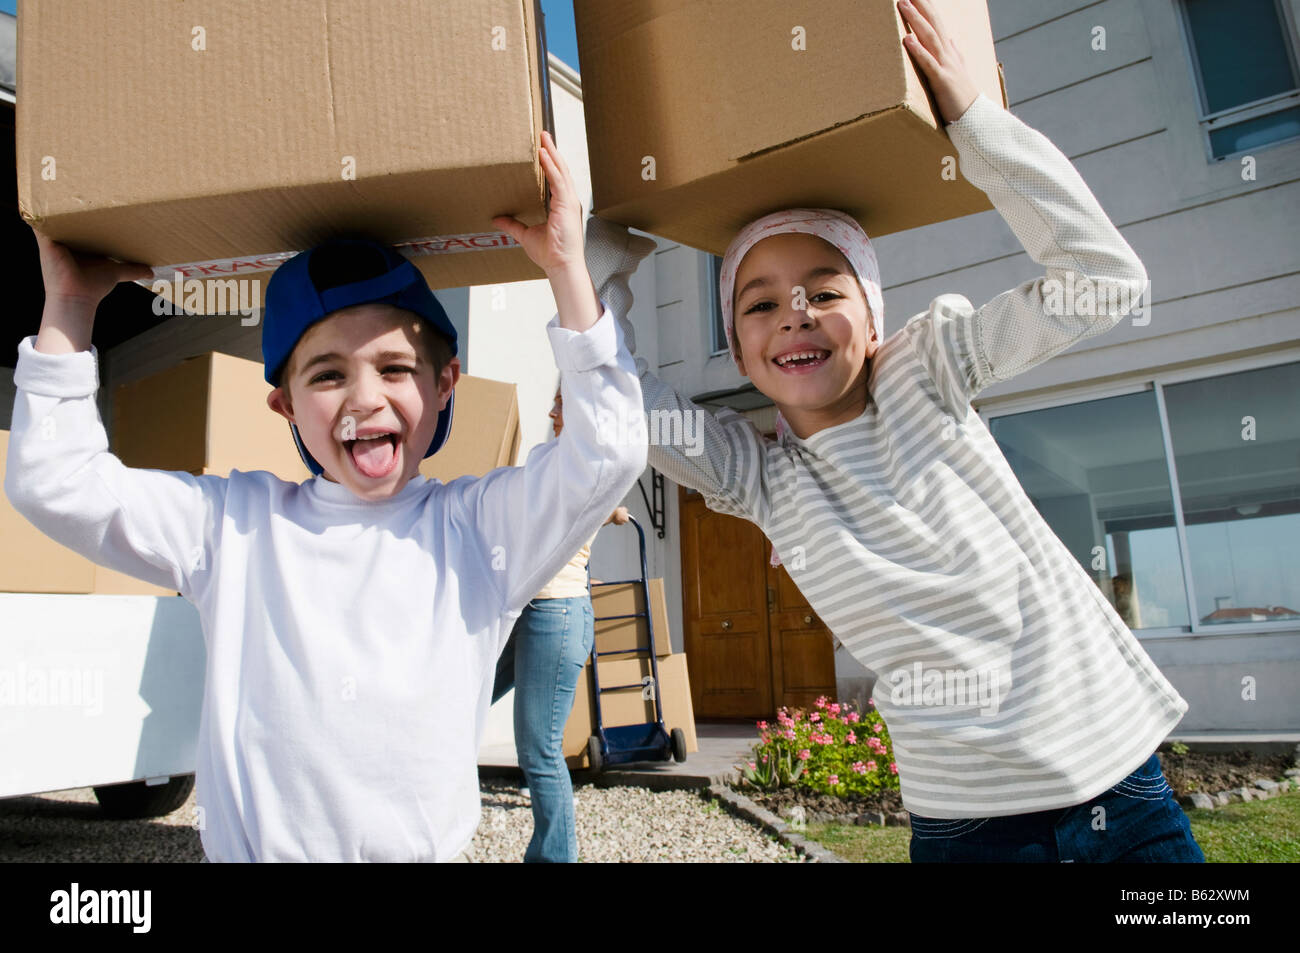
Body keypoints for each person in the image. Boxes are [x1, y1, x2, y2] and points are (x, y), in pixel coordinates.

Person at [582, 0, 1202, 862]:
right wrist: (598, 269)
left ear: (874, 317)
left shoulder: (932, 366)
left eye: (825, 291)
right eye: (758, 303)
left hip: (1117, 787)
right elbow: (619, 401)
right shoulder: (762, 479)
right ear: (739, 346)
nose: (793, 314)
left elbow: (1102, 280)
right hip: (969, 828)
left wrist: (976, 126)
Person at [4, 131, 647, 862]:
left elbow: (611, 449)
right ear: (286, 407)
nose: (364, 398)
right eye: (328, 374)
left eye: (396, 367)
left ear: (445, 386)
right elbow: (53, 482)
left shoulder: (478, 530)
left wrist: (566, 268)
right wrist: (70, 306)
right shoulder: (235, 527)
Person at [490, 387, 630, 862]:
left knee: (539, 751)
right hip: (524, 608)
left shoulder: (592, 465)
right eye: (553, 401)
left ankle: (555, 856)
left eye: (563, 403)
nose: (551, 410)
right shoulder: (554, 457)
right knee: (464, 692)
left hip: (557, 613)